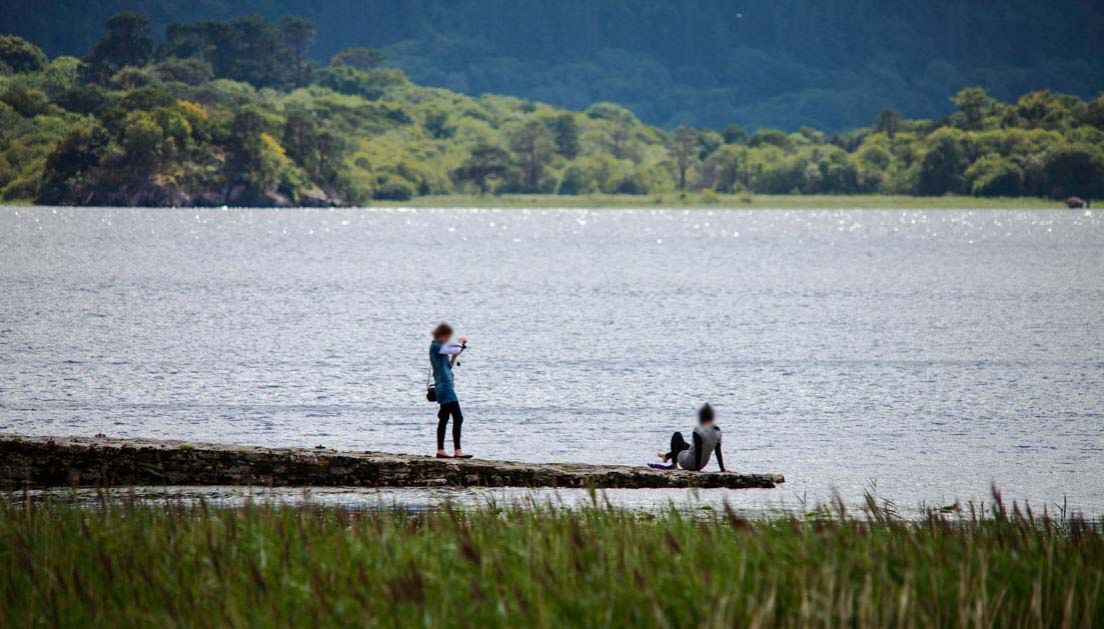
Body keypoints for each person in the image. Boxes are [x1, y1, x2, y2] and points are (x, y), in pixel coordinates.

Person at [429, 323, 473, 458]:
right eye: (447, 337)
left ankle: (440, 450)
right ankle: (457, 451)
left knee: (444, 418)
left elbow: (448, 366)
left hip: (444, 386)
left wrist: (455, 356)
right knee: (458, 418)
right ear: (441, 335)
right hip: (446, 388)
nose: (448, 339)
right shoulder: (436, 346)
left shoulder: (439, 348)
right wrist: (459, 343)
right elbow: (453, 349)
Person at [652, 403, 725, 472]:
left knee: (677, 435)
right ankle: (667, 456)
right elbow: (718, 452)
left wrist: (696, 470)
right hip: (703, 464)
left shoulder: (698, 430)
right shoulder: (718, 431)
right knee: (685, 445)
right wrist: (722, 469)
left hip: (690, 463)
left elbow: (698, 451)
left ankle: (673, 464)